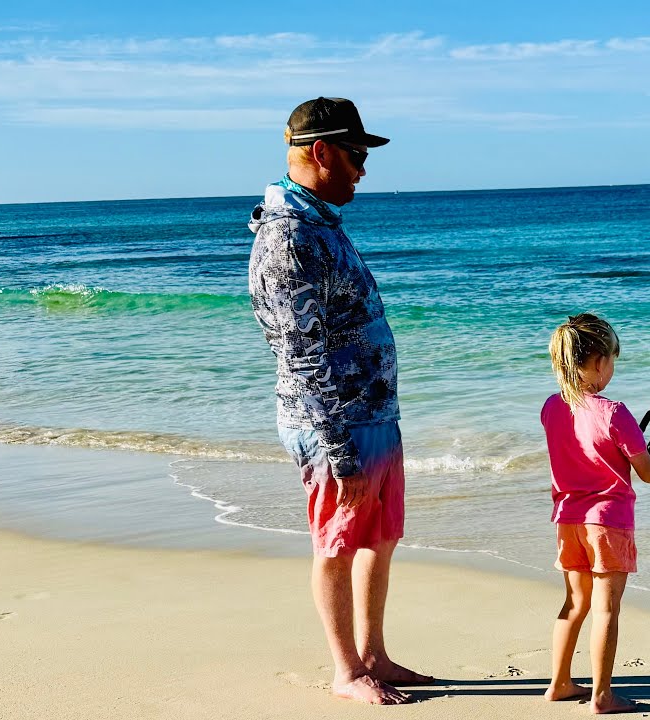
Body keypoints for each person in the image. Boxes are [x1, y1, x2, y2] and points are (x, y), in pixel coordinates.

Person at [247, 97, 432, 705]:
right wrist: (339, 451)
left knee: (379, 537)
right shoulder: (289, 239)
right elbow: (299, 355)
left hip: (372, 415)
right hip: (338, 429)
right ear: (320, 152)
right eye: (354, 155)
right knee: (336, 543)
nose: (362, 170)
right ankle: (346, 671)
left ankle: (374, 655)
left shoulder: (320, 223)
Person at [540, 313, 650, 714]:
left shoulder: (551, 407)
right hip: (607, 523)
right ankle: (602, 696)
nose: (612, 369)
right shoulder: (615, 412)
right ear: (598, 361)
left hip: (568, 520)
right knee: (606, 609)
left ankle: (559, 683)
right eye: (612, 360)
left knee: (574, 604)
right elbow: (646, 473)